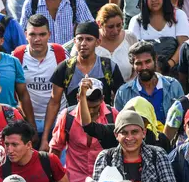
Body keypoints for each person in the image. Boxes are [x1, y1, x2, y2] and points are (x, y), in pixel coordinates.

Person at [41, 22, 126, 152]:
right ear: (74, 41)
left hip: (103, 126)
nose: (83, 43)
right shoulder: (65, 68)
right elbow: (54, 102)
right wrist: (45, 138)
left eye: (89, 39)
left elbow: (121, 99)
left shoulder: (109, 67)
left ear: (98, 42)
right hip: (74, 127)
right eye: (80, 39)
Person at [51, 78, 119, 182]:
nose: (91, 111)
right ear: (79, 98)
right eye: (88, 107)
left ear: (102, 99)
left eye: (95, 107)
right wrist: (55, 179)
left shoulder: (112, 115)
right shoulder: (67, 116)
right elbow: (55, 150)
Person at [13, 14, 66, 139]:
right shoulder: (17, 56)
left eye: (42, 34)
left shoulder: (61, 53)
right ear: (26, 35)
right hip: (27, 120)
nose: (37, 39)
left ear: (49, 35)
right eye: (32, 34)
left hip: (58, 119)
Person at [128, 0, 189, 75]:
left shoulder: (179, 15)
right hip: (145, 73)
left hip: (174, 72)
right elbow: (134, 54)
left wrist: (169, 65)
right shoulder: (135, 21)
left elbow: (184, 45)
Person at [114, 41, 186, 125]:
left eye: (147, 62)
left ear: (155, 59)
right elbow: (119, 124)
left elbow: (183, 118)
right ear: (132, 65)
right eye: (139, 63)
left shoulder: (173, 86)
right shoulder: (123, 92)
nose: (144, 67)